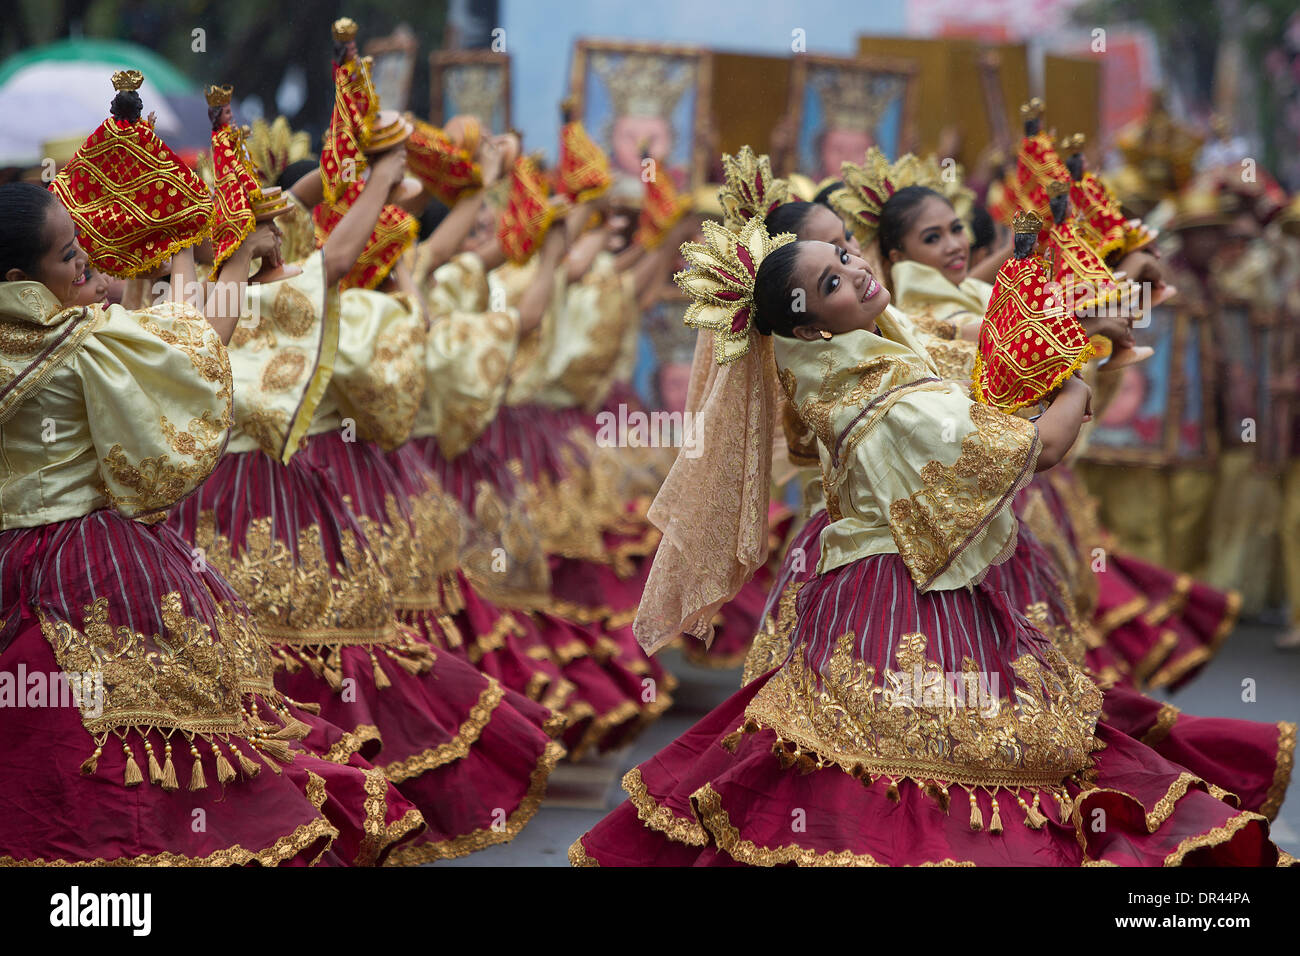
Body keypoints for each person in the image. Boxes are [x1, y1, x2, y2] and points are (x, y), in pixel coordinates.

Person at [570, 215, 1290, 866]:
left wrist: (1095, 317)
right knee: (927, 781)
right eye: (832, 280)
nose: (855, 270)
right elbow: (1035, 447)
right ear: (813, 327)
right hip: (910, 599)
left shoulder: (874, 351)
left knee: (872, 777)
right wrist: (1076, 381)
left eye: (846, 253)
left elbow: (994, 357)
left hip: (893, 585)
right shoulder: (888, 397)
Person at [0, 181, 424, 865]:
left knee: (52, 753)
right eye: (67, 256)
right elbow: (193, 355)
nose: (83, 266)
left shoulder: (45, 339)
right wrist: (224, 264)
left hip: (12, 561)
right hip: (87, 569)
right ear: (19, 281)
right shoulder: (78, 345)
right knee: (140, 752)